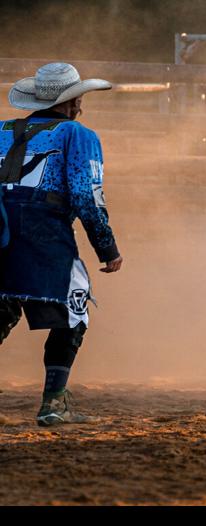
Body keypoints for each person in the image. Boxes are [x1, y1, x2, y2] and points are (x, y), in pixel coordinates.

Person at [1, 63, 121, 426]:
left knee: (2, 305)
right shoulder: (77, 134)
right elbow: (86, 194)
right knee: (73, 303)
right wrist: (107, 248)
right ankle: (55, 402)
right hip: (44, 226)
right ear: (75, 101)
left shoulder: (2, 130)